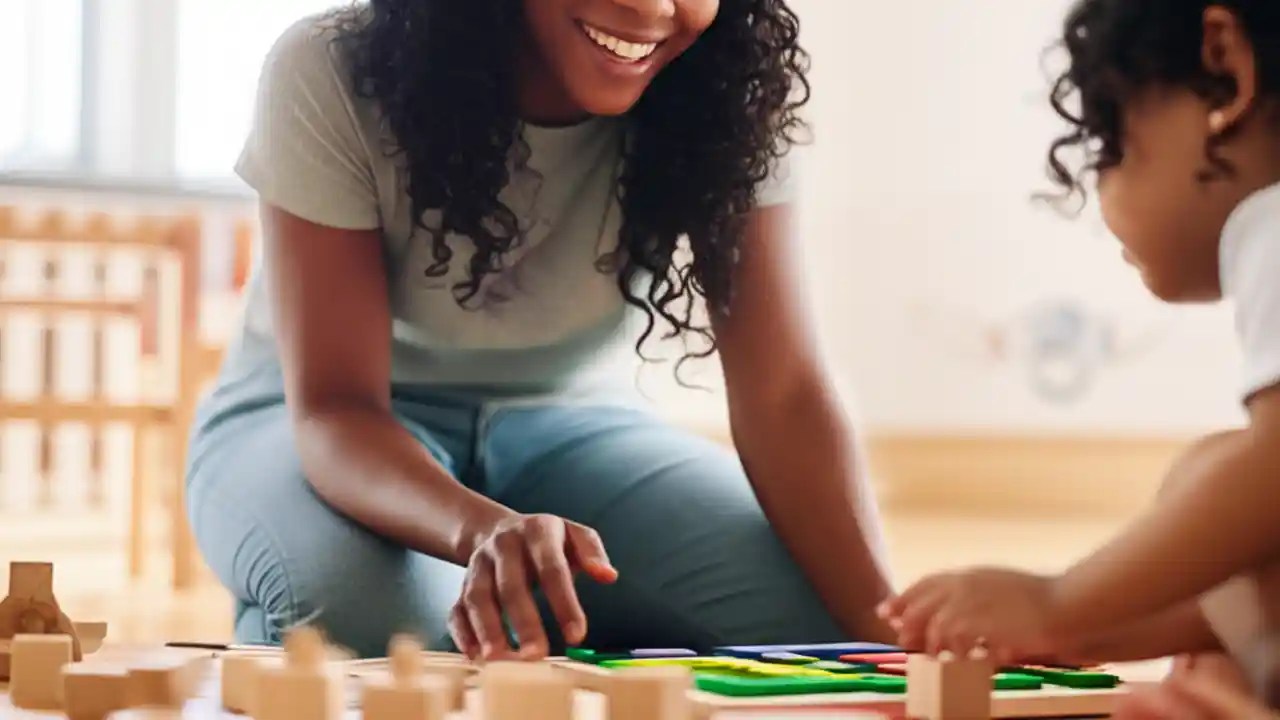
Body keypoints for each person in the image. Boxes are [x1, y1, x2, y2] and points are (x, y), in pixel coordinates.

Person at [185, 0, 894, 661]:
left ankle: (545, 612)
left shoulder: (730, 89)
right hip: (312, 424)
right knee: (372, 623)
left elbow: (784, 395)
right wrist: (481, 528)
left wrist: (891, 632)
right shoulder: (331, 68)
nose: (651, 8)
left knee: (814, 627)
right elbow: (338, 409)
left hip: (576, 424)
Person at [879, 0, 1280, 712]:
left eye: (1111, 145)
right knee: (1217, 477)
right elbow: (1245, 565)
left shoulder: (1270, 222)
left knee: (1223, 474)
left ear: (1228, 69)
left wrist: (1059, 600)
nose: (1103, 187)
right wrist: (1092, 628)